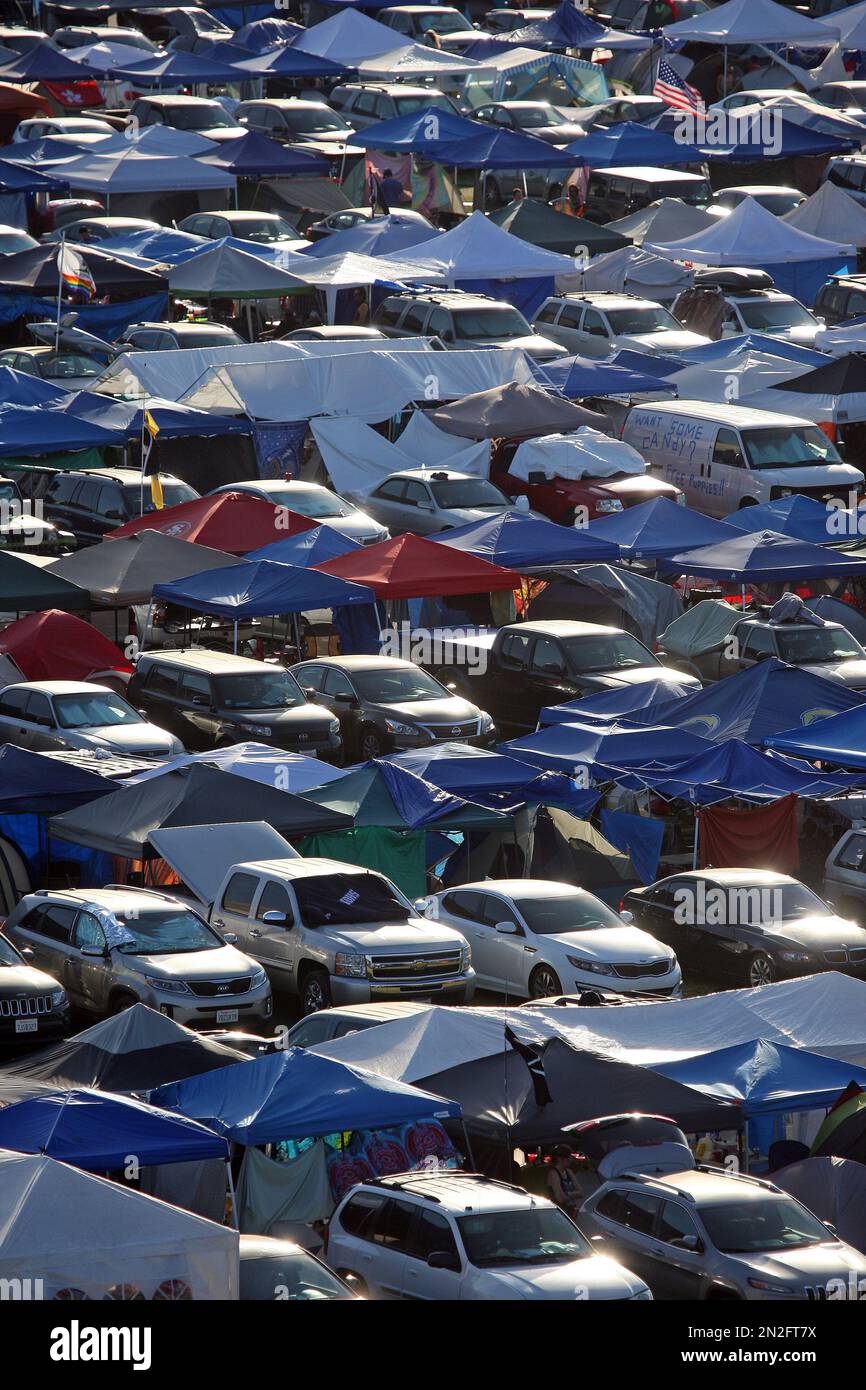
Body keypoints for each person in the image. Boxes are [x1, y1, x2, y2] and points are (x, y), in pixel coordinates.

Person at [546, 1146, 581, 1216]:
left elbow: (581, 1192)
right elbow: (560, 1199)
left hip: (571, 1210)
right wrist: (574, 1194)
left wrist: (568, 1194)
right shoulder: (553, 1173)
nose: (571, 1160)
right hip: (558, 1213)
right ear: (560, 1159)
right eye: (568, 1157)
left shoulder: (569, 1171)